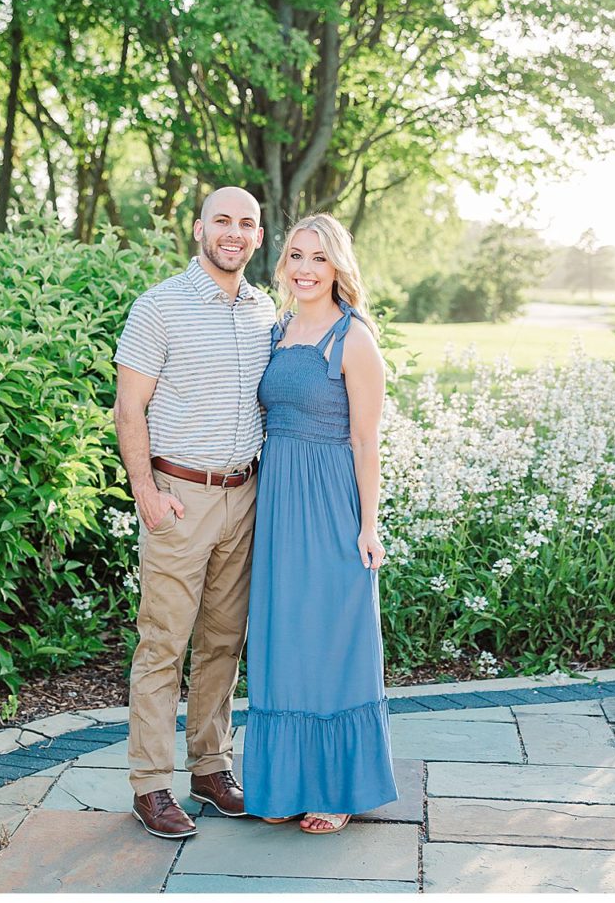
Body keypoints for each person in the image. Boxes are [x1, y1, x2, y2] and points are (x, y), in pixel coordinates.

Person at [112, 186, 277, 839]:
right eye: (223, 221)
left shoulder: (266, 310)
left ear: (258, 237)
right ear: (199, 228)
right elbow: (129, 410)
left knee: (221, 643)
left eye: (247, 224)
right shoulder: (159, 307)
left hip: (246, 497)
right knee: (163, 644)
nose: (233, 233)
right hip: (180, 498)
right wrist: (146, 494)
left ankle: (211, 767)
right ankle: (150, 784)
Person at [242, 212, 397, 834]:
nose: (305, 269)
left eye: (319, 259)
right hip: (277, 503)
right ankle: (284, 787)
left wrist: (369, 525)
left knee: (333, 638)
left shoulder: (353, 337)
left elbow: (366, 441)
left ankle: (336, 789)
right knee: (285, 640)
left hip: (331, 503)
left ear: (338, 267)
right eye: (296, 257)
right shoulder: (278, 328)